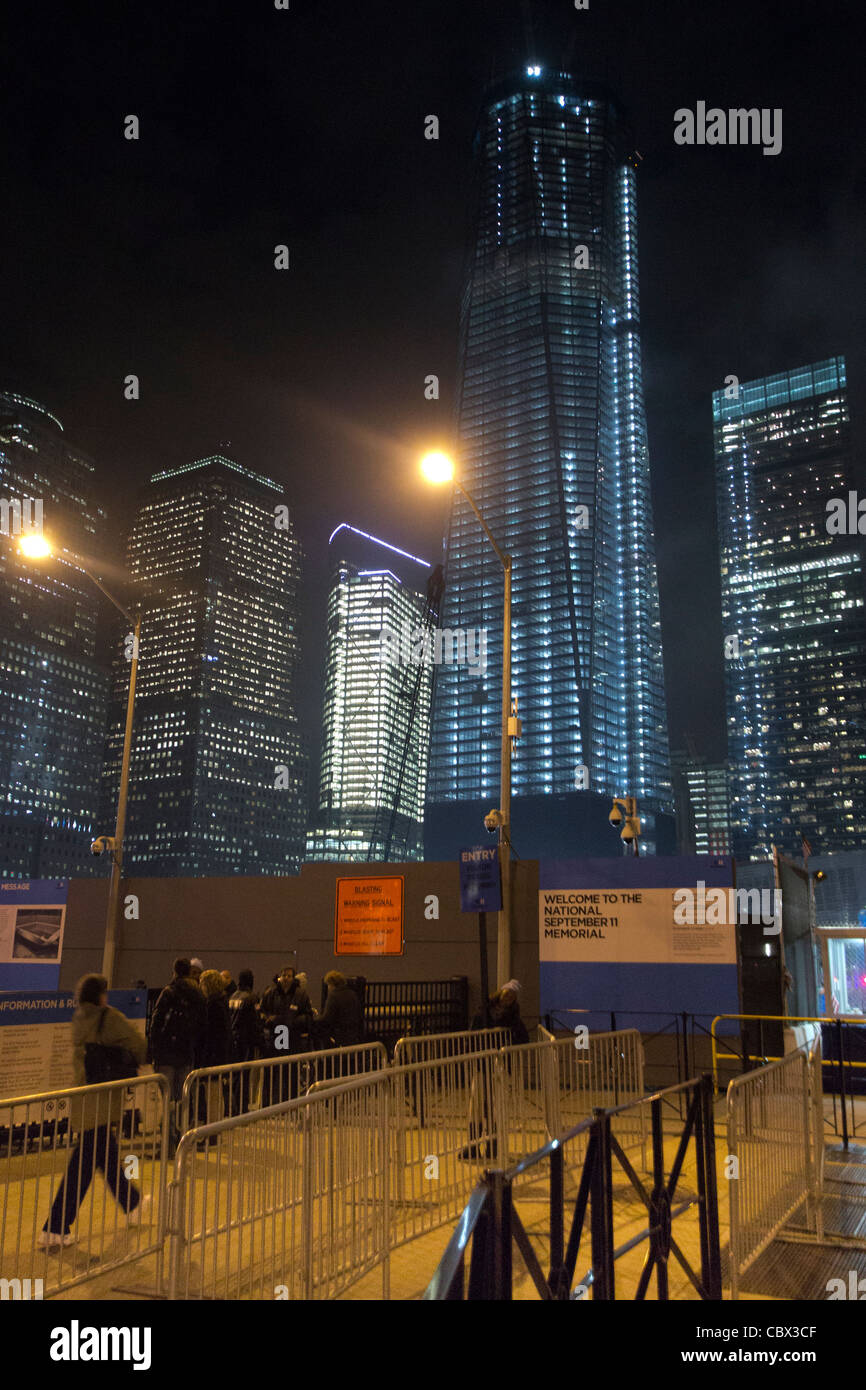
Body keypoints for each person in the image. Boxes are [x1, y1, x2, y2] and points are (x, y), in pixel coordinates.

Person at [39, 975, 149, 1247]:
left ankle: (132, 1204)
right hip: (101, 1101)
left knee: (105, 1158)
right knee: (84, 1165)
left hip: (84, 1099)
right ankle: (55, 1227)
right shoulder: (107, 1017)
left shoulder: (79, 1018)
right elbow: (139, 1044)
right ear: (100, 995)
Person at [148, 957, 207, 1150]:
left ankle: (168, 1141)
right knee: (183, 1100)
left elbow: (157, 1023)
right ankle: (182, 1139)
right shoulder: (198, 994)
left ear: (174, 971)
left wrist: (153, 1050)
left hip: (166, 1054)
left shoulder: (169, 991)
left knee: (167, 1099)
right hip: (186, 1054)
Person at [259, 966, 312, 1104]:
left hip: (292, 1036)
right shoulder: (270, 993)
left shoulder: (301, 995)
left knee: (290, 1072)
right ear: (279, 977)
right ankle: (267, 1103)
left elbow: (307, 1015)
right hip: (274, 1036)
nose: (286, 979)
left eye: (289, 976)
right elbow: (262, 1012)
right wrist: (269, 1020)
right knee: (271, 1071)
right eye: (283, 975)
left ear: (293, 978)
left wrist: (294, 1022)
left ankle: (290, 1103)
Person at [198, 970, 235, 1139]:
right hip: (219, 1055)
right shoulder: (221, 1001)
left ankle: (212, 1132)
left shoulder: (212, 1005)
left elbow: (210, 1033)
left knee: (212, 1095)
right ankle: (215, 1129)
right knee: (216, 1094)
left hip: (212, 1056)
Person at [228, 970, 264, 1114]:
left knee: (234, 1075)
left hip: (233, 1039)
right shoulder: (251, 998)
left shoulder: (233, 996)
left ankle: (232, 1107)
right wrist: (261, 1043)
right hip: (245, 1041)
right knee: (244, 1076)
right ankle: (241, 1108)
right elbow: (255, 1023)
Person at [315, 971, 364, 1049]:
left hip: (339, 1034)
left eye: (328, 984)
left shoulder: (333, 996)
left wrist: (315, 1021)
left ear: (332, 984)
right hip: (353, 1034)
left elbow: (327, 1018)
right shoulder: (352, 994)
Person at [472, 980, 529, 1046]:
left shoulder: (512, 1014)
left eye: (511, 997)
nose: (508, 998)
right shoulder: (486, 1007)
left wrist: (510, 1044)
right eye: (506, 995)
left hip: (501, 1049)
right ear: (500, 994)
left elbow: (522, 1034)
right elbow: (476, 1026)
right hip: (484, 1046)